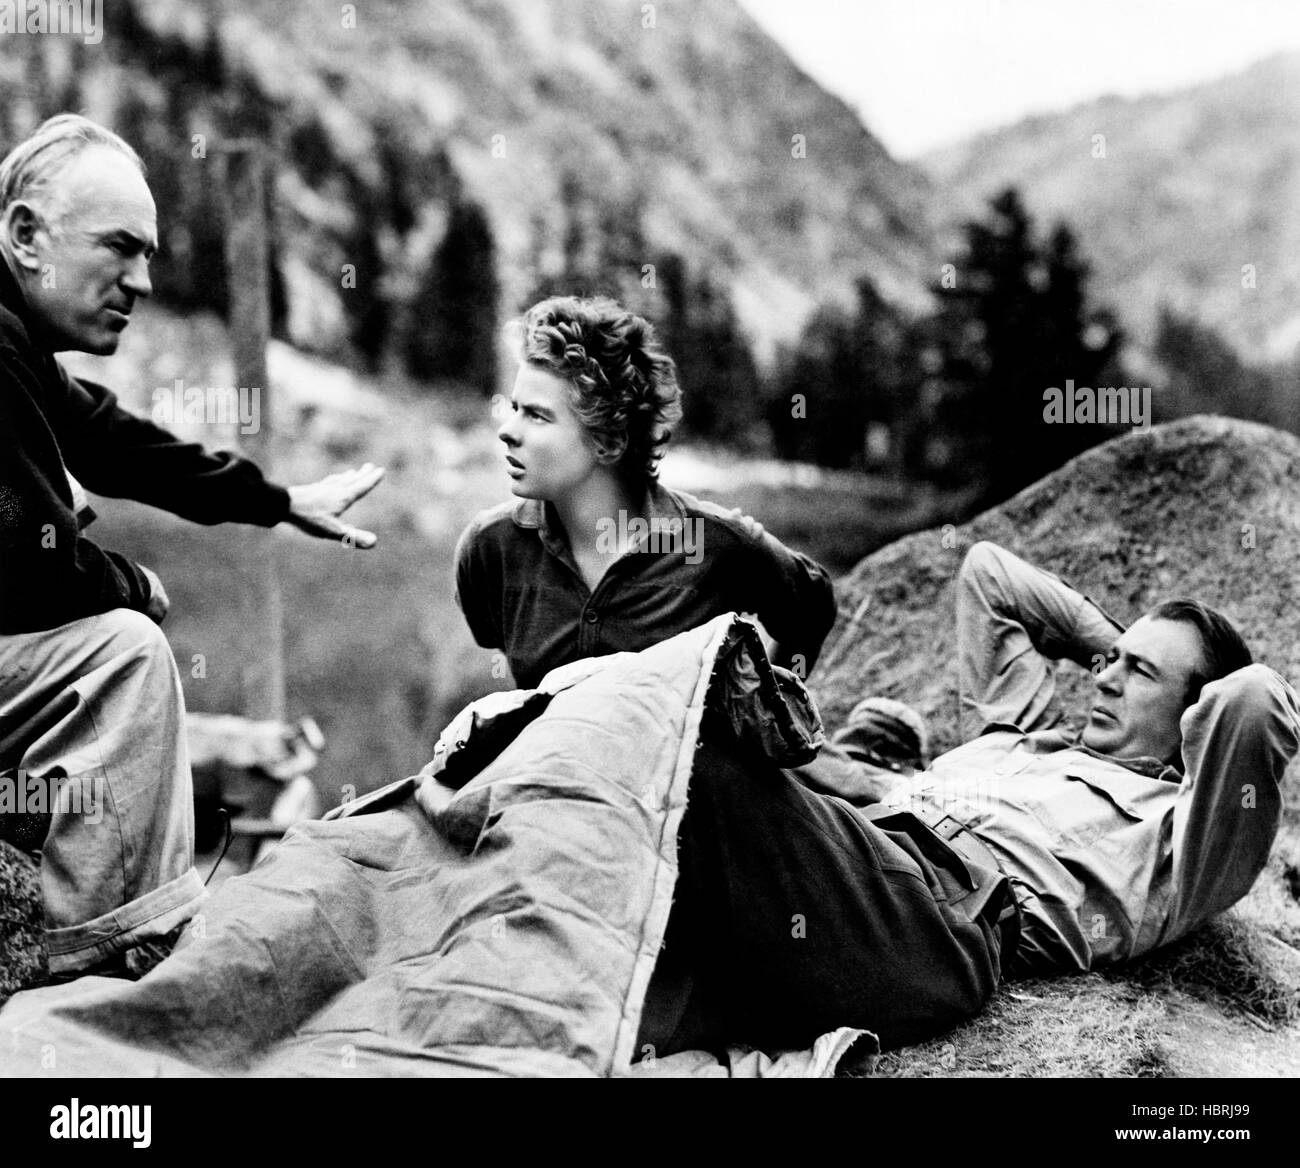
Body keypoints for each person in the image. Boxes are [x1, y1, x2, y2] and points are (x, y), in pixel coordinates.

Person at [637, 540, 1300, 1053]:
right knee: (650, 737)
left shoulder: (1180, 837)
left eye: (1140, 673)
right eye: (1111, 661)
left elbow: (1256, 700)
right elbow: (990, 575)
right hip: (855, 842)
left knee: (698, 751)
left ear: (1193, 723)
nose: (1104, 680)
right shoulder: (1025, 734)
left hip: (939, 909)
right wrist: (1126, 648)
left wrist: (1190, 742)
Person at [0, 114, 384, 980]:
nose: (139, 280)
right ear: (27, 236)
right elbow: (28, 559)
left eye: (149, 255)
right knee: (123, 654)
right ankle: (108, 958)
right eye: (119, 248)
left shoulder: (15, 343)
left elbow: (118, 442)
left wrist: (280, 502)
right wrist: (134, 584)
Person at [454, 295, 837, 691]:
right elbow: (497, 640)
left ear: (608, 441)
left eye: (536, 415)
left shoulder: (716, 546)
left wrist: (772, 708)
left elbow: (812, 606)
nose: (507, 431)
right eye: (515, 408)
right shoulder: (489, 548)